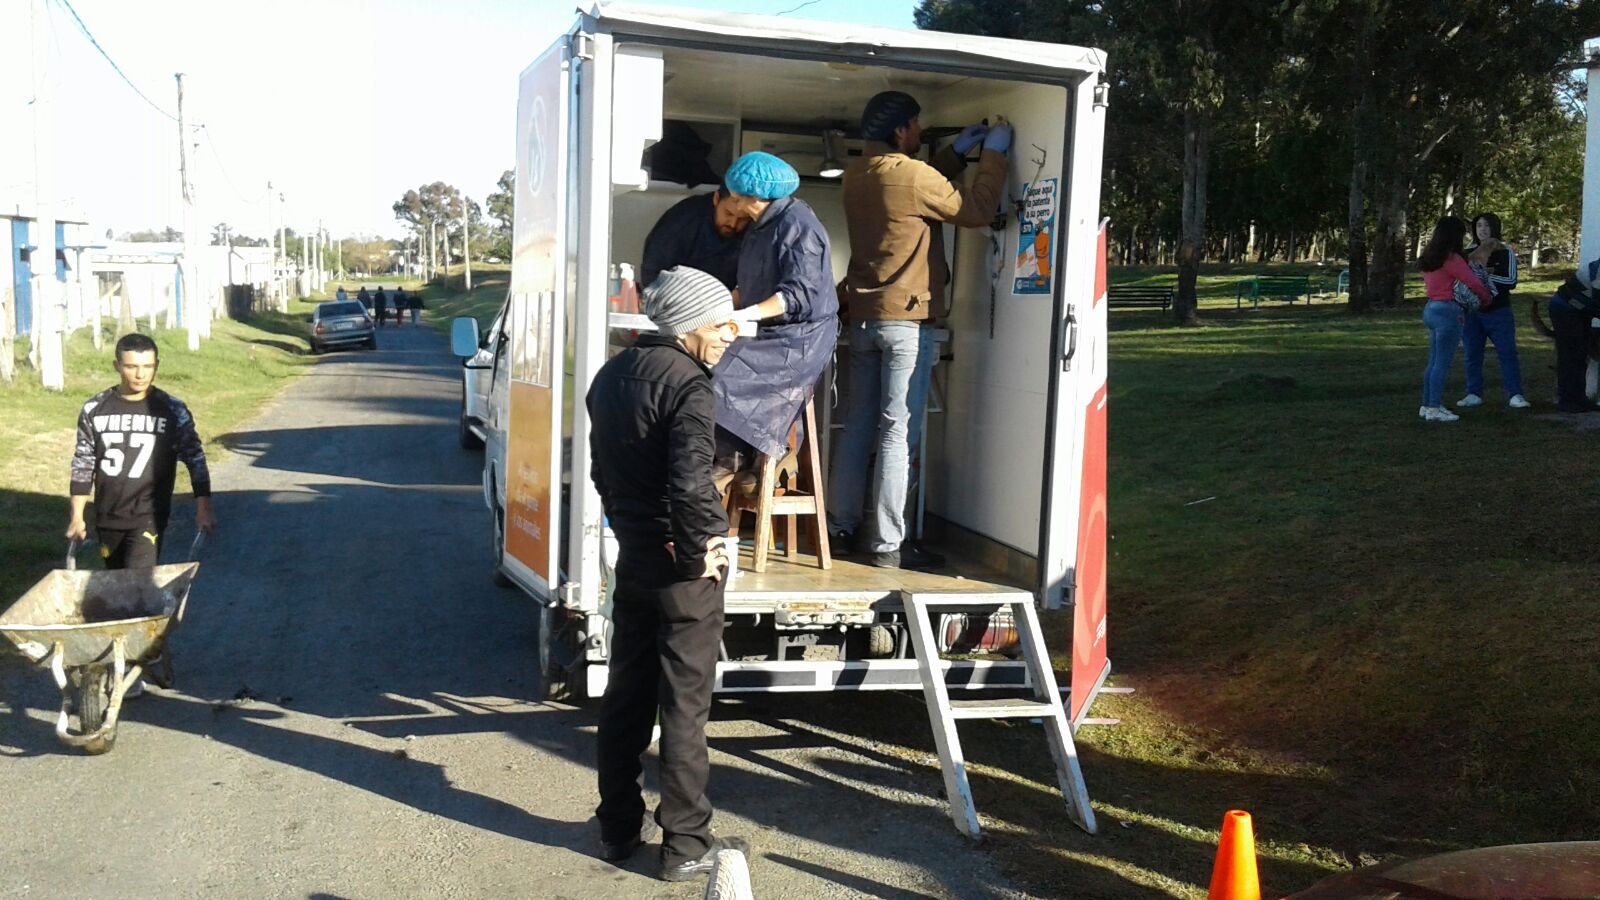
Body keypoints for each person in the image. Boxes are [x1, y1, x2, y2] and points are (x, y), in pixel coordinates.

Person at [588, 265, 747, 882]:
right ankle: (684, 846)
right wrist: (707, 547)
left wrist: (632, 531)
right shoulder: (691, 384)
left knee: (625, 697)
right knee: (684, 706)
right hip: (682, 567)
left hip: (633, 557)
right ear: (688, 324)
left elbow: (603, 472)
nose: (730, 331)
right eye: (719, 320)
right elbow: (688, 480)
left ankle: (616, 831)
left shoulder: (609, 375)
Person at [828, 90, 1010, 570]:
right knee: (895, 431)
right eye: (915, 126)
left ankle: (841, 527)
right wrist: (993, 153)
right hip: (906, 322)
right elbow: (974, 210)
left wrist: (952, 155)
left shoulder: (856, 173)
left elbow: (914, 194)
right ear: (902, 131)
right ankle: (888, 542)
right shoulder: (911, 175)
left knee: (857, 427)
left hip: (864, 318)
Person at [709, 152, 839, 483]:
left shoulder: (799, 225)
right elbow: (752, 281)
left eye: (737, 199)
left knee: (723, 379)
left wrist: (746, 314)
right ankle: (733, 455)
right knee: (704, 365)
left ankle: (759, 454)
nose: (735, 207)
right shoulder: (760, 227)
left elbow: (799, 295)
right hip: (766, 332)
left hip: (800, 339)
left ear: (756, 196)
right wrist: (715, 309)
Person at [67, 333, 216, 569]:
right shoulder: (95, 409)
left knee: (137, 586)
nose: (140, 374)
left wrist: (204, 508)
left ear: (157, 365)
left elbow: (195, 459)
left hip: (149, 516)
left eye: (148, 366)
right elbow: (83, 463)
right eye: (131, 366)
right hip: (108, 516)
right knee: (116, 587)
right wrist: (77, 516)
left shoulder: (172, 410)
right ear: (117, 366)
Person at [1417, 216, 1491, 422]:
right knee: (1442, 362)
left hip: (1431, 308)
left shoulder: (1430, 257)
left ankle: (1427, 403)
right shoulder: (1452, 259)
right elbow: (1473, 282)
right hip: (1448, 310)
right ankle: (1434, 407)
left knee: (1433, 361)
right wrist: (1485, 298)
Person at [1458, 213, 1529, 410]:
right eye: (1479, 225)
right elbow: (1461, 281)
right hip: (1472, 312)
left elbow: (1511, 281)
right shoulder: (1466, 253)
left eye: (1487, 226)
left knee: (1507, 352)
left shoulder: (1505, 251)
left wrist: (1485, 277)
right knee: (1472, 353)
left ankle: (1515, 394)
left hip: (1499, 312)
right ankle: (1473, 393)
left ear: (1495, 228)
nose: (1482, 229)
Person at [640, 183, 752, 290]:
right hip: (677, 296)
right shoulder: (683, 221)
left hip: (728, 299)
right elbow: (652, 273)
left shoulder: (755, 227)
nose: (733, 224)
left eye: (743, 219)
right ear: (716, 199)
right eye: (728, 213)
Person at [1548, 257, 1600, 412]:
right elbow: (1598, 300)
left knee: (1581, 353)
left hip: (1581, 310)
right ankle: (1566, 400)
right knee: (1570, 354)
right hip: (1565, 308)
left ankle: (1579, 398)